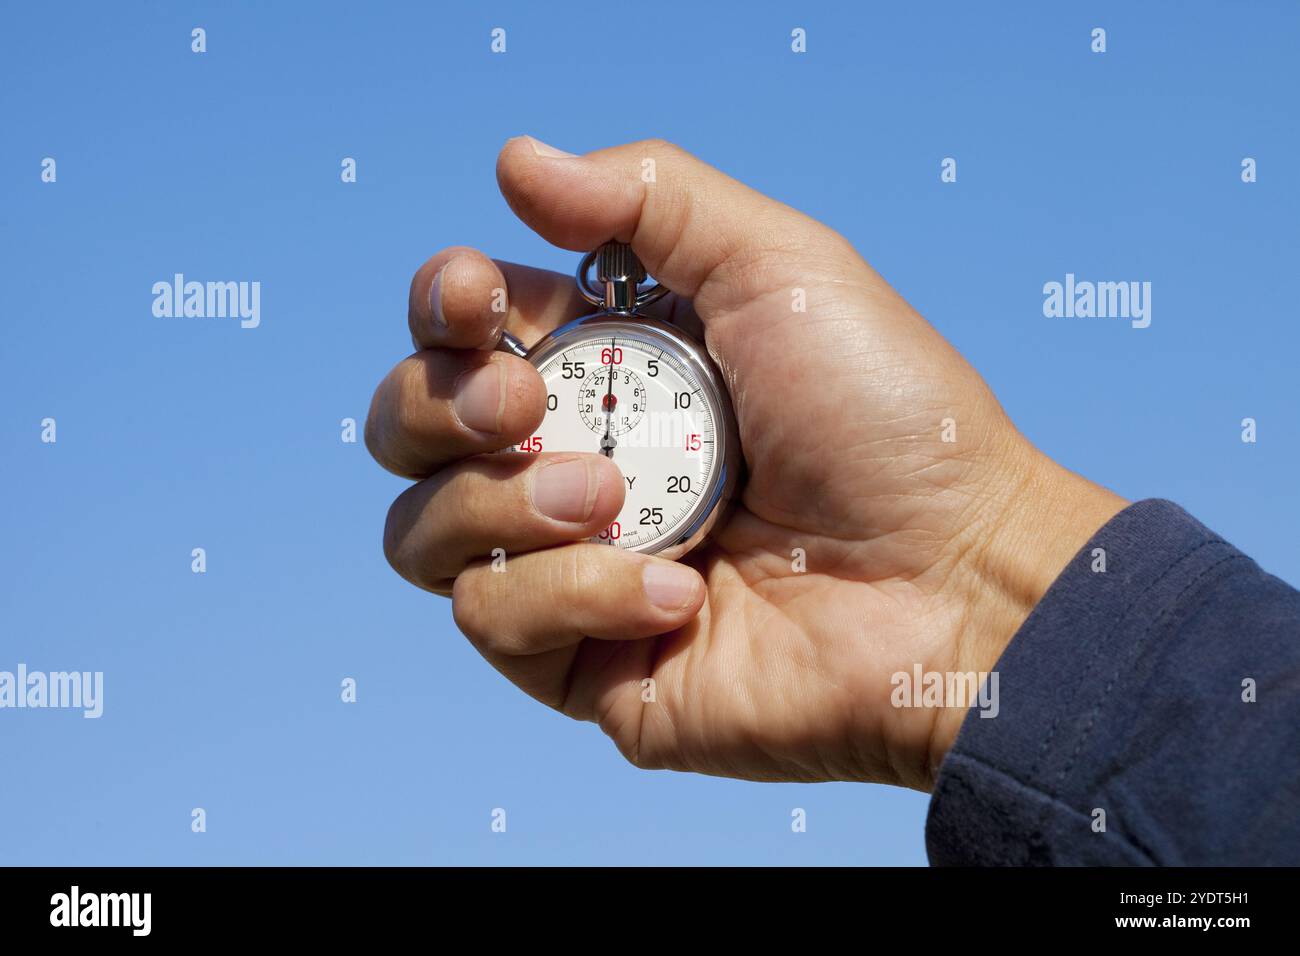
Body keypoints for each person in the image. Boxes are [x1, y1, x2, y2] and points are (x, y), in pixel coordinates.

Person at [364, 137, 1300, 866]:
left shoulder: (709, 366)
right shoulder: (577, 376)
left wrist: (972, 566)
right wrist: (974, 604)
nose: (608, 452)